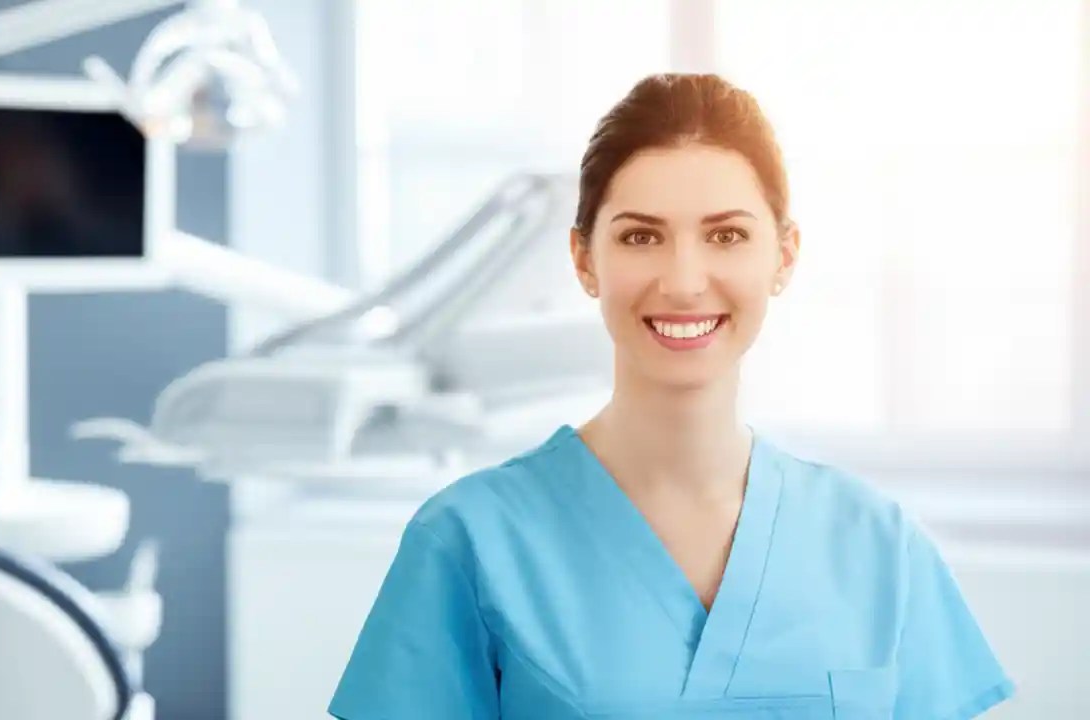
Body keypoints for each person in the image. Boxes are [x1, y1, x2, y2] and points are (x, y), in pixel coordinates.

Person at [327, 73, 1014, 719]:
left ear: (784, 255)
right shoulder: (470, 541)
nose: (685, 280)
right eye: (641, 236)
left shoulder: (876, 545)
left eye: (726, 235)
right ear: (583, 260)